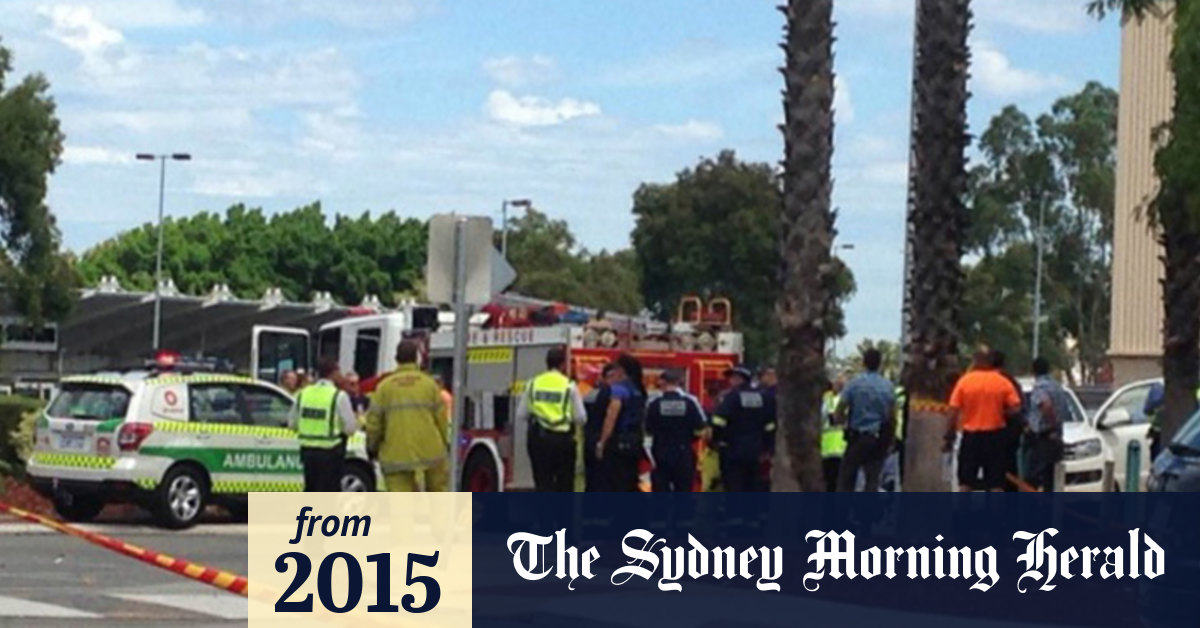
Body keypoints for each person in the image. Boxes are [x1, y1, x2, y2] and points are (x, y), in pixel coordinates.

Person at [365, 340, 450, 492]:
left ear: (396, 359)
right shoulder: (429, 385)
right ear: (417, 359)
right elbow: (442, 420)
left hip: (396, 455)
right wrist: (446, 444)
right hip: (430, 453)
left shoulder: (385, 387)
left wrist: (371, 447)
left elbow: (374, 423)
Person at [947, 349, 1021, 492]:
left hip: (971, 436)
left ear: (976, 361)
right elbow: (1016, 408)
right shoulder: (1002, 382)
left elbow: (953, 411)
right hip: (995, 437)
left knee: (965, 482)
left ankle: (963, 513)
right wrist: (1001, 412)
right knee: (996, 482)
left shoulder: (965, 381)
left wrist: (949, 432)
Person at [517, 347, 587, 492]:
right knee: (565, 484)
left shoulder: (533, 383)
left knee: (543, 482)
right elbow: (581, 417)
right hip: (563, 441)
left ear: (546, 363)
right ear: (563, 364)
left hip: (539, 441)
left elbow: (521, 414)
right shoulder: (569, 386)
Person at [290, 357, 358, 492]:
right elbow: (350, 428)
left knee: (311, 490)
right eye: (339, 372)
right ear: (333, 373)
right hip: (330, 453)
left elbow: (292, 424)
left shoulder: (302, 394)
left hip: (307, 452)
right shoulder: (338, 396)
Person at [835, 349, 895, 492]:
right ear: (880, 364)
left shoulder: (854, 384)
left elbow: (840, 409)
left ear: (864, 363)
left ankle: (843, 511)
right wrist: (890, 439)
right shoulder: (888, 386)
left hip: (857, 438)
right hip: (879, 438)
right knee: (872, 479)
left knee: (846, 478)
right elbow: (892, 416)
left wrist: (842, 422)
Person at [712, 366, 775, 492]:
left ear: (740, 379)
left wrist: (718, 440)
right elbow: (770, 425)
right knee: (752, 485)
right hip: (756, 451)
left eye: (733, 378)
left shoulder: (731, 397)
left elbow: (718, 421)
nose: (731, 381)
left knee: (733, 486)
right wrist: (768, 447)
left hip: (732, 450)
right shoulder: (764, 397)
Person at [645, 369, 707, 492]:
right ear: (678, 382)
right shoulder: (690, 401)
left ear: (663, 382)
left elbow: (648, 429)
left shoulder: (654, 403)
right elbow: (701, 427)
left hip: (661, 452)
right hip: (683, 452)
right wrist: (690, 438)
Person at [596, 354, 647, 492]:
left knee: (616, 483)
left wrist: (602, 441)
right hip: (634, 443)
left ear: (621, 370)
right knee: (630, 483)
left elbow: (611, 416)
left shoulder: (619, 389)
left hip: (619, 444)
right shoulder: (637, 390)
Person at [1024, 357, 1069, 491]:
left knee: (1031, 478)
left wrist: (1052, 425)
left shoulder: (1040, 387)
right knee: (1050, 480)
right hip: (1056, 439)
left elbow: (1046, 405)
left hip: (1044, 437)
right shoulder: (1057, 386)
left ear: (1033, 371)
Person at [991, 350, 1026, 492]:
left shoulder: (996, 381)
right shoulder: (1011, 381)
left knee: (995, 471)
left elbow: (1015, 407)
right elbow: (1020, 405)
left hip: (998, 431)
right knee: (1010, 466)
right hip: (1012, 432)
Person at [583, 364, 618, 491]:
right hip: (602, 441)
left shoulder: (589, 394)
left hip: (591, 440)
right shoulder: (609, 394)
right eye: (612, 377)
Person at [820, 377, 847, 492]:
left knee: (829, 483)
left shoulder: (825, 400)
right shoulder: (845, 400)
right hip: (839, 447)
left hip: (828, 447)